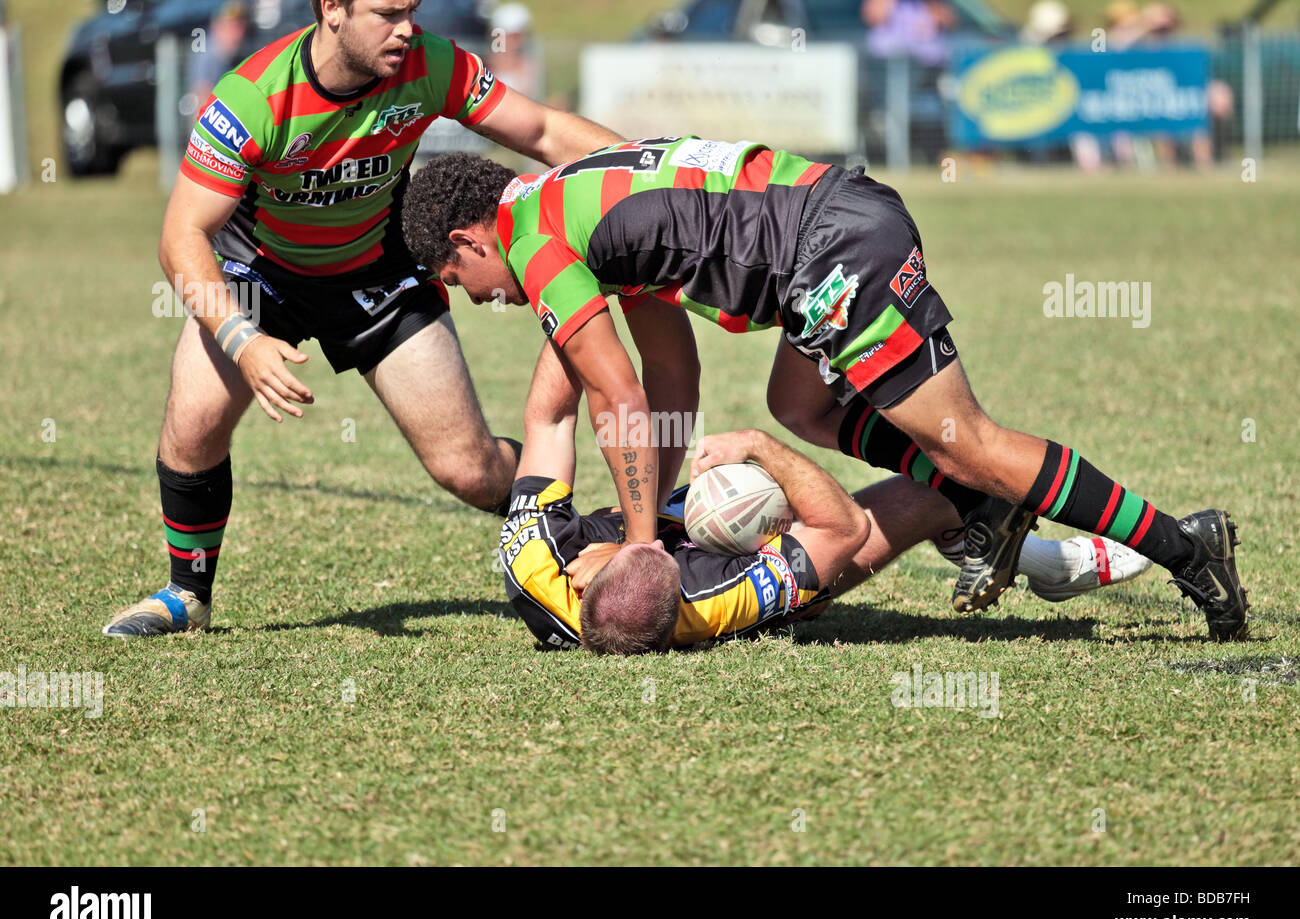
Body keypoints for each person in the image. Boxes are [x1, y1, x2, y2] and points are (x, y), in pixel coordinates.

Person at [401, 135, 1249, 640]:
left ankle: (1184, 549)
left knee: (976, 445)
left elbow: (615, 402)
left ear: (466, 238)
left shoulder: (539, 244)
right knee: (798, 405)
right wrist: (648, 514)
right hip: (829, 227)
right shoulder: (570, 198)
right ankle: (971, 503)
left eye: (457, 278)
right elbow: (669, 378)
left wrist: (639, 551)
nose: (480, 298)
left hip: (831, 252)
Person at [102, 0, 628, 636]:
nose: (406, 28)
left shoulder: (430, 62)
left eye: (411, 10)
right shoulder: (252, 98)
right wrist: (242, 342)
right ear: (332, 10)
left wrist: (646, 168)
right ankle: (187, 594)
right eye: (386, 13)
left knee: (469, 468)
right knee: (194, 423)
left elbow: (542, 130)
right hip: (259, 272)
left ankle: (607, 531)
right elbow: (181, 235)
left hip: (376, 271)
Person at [500, 343, 1152, 654]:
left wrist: (573, 306)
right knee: (929, 493)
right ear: (679, 596)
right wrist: (762, 448)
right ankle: (1054, 568)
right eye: (666, 552)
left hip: (661, 533)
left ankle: (979, 537)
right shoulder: (713, 601)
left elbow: (548, 420)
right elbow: (838, 528)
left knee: (941, 497)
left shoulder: (534, 560)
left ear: (595, 570)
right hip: (785, 548)